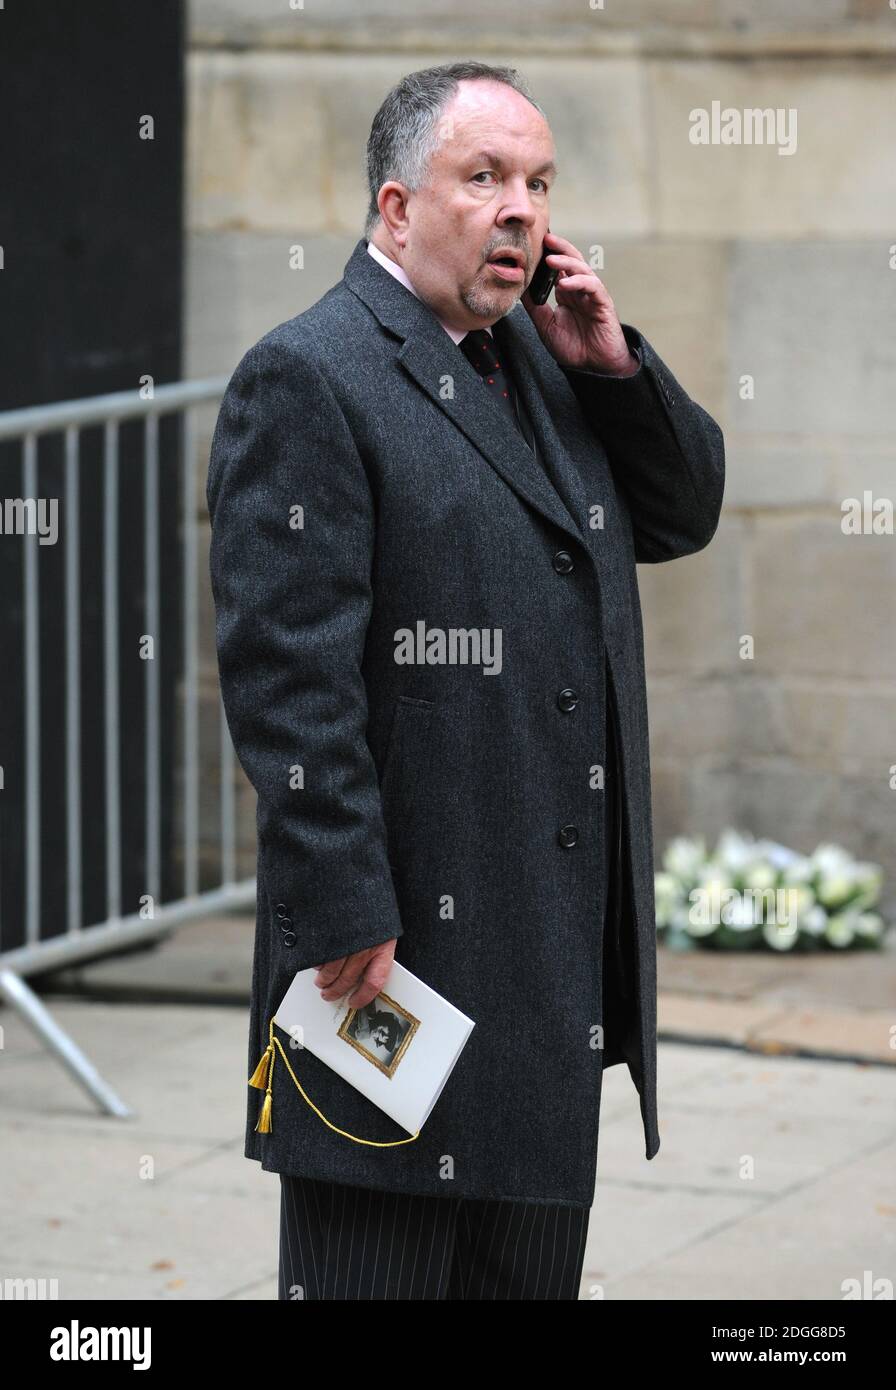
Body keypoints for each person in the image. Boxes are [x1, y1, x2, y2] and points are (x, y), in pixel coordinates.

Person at [206, 59, 725, 1300]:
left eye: (538, 183)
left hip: (541, 970)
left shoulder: (545, 359)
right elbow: (287, 672)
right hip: (392, 963)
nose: (520, 209)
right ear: (394, 207)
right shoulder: (311, 374)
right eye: (482, 176)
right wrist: (340, 908)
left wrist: (611, 363)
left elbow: (683, 512)